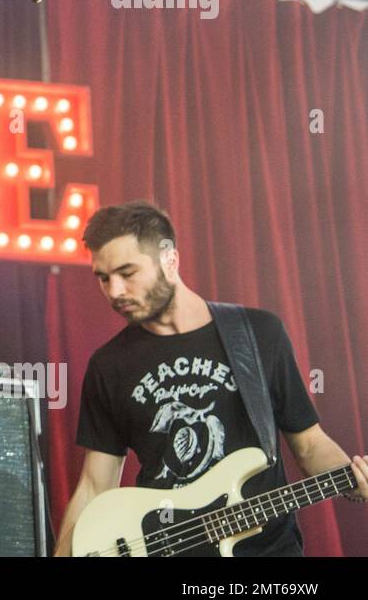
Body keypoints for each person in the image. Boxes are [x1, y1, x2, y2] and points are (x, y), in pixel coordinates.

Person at [54, 200, 368, 556]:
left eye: (127, 273)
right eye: (103, 278)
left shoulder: (258, 334)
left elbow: (309, 444)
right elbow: (95, 486)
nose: (114, 291)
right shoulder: (109, 365)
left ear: (169, 261)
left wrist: (352, 479)